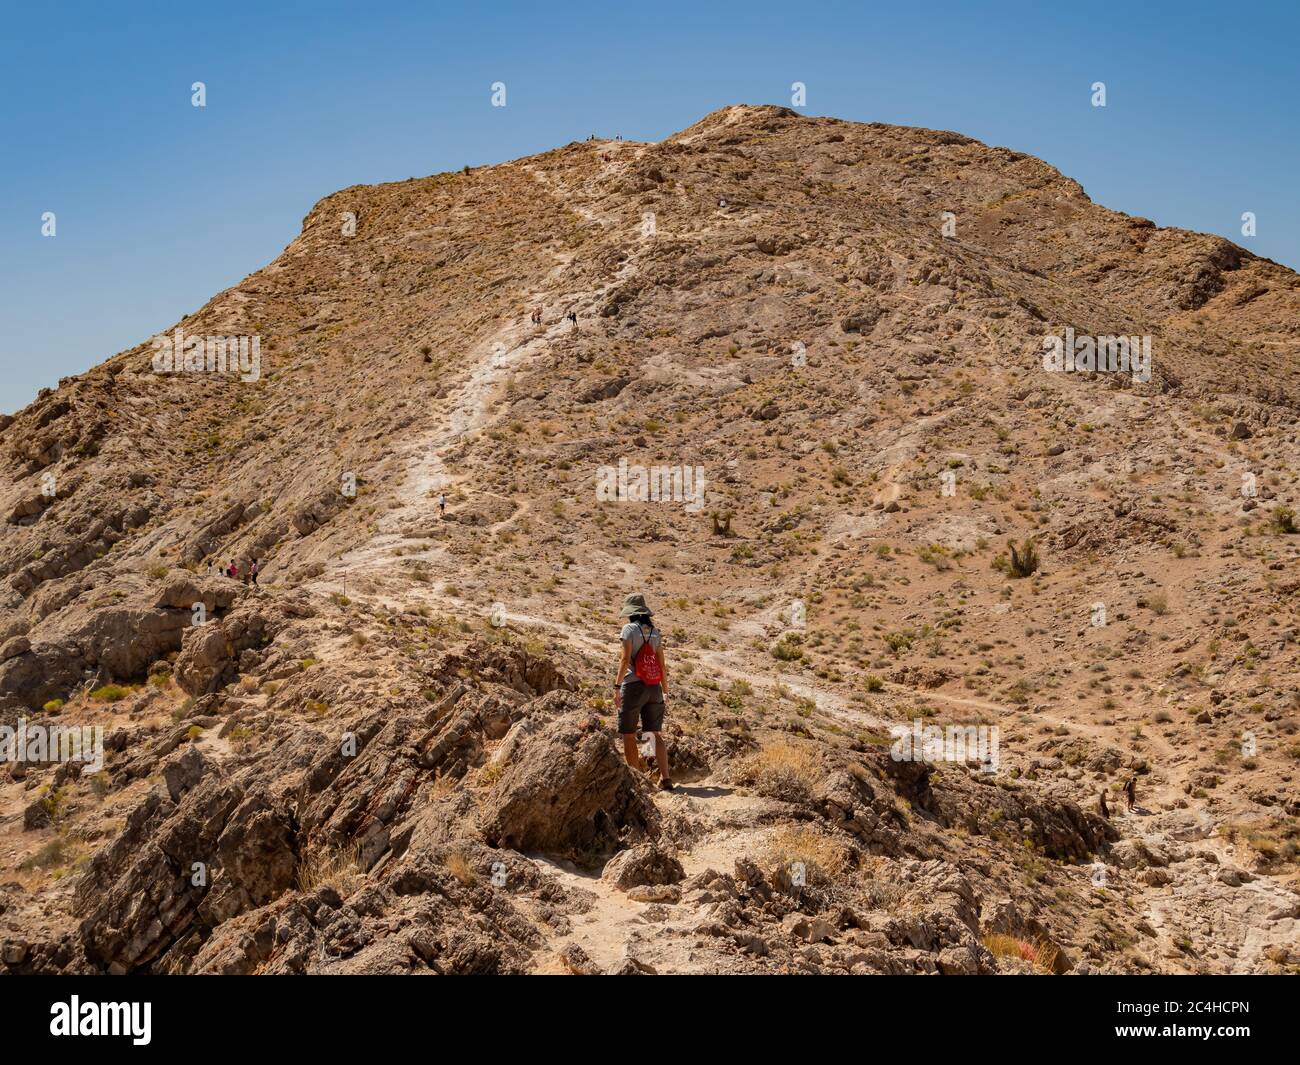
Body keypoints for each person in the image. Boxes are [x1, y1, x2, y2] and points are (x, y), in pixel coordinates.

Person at [613, 593, 673, 791]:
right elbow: (662, 665)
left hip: (633, 686)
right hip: (654, 687)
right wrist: (665, 691)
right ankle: (666, 779)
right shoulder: (655, 632)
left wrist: (616, 687)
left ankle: (637, 781)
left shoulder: (628, 629)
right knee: (653, 734)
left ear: (630, 613)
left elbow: (624, 660)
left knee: (628, 734)